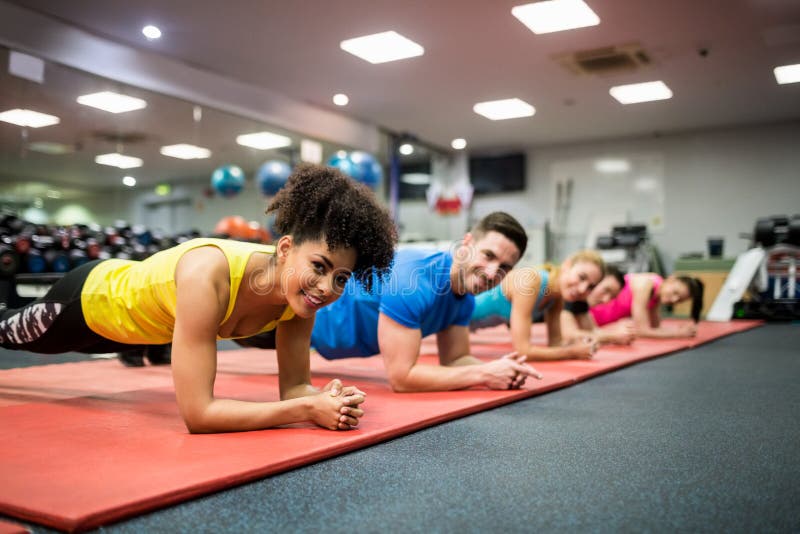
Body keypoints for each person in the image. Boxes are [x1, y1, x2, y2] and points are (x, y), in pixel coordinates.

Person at [0, 164, 397, 434]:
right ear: (285, 248)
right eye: (320, 265)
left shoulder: (299, 301)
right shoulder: (208, 274)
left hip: (141, 334)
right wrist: (307, 410)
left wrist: (329, 399)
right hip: (88, 303)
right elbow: (199, 414)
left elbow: (294, 389)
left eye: (341, 277)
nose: (327, 287)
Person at [239, 212, 541, 392]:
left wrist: (499, 369)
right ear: (466, 245)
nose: (492, 272)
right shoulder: (416, 280)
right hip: (299, 309)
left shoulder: (463, 300)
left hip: (314, 335)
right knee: (221, 318)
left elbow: (456, 359)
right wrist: (484, 374)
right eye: (488, 255)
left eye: (504, 267)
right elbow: (402, 377)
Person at [468, 250, 605, 361]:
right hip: (450, 320)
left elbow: (555, 343)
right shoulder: (531, 281)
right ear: (566, 265)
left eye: (590, 287)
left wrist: (580, 341)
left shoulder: (556, 296)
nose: (582, 289)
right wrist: (572, 352)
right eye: (581, 277)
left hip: (462, 326)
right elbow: (523, 351)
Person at [587, 272, 704, 338]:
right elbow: (642, 331)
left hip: (597, 324)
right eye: (675, 292)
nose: (674, 299)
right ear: (671, 279)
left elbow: (655, 327)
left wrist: (677, 330)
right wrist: (678, 334)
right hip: (590, 318)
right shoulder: (647, 284)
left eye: (679, 300)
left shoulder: (657, 294)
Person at [560, 265, 637, 345]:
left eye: (612, 297)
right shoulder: (569, 296)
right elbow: (570, 337)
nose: (606, 300)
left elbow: (592, 331)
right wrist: (613, 336)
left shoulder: (581, 303)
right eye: (606, 290)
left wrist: (619, 334)